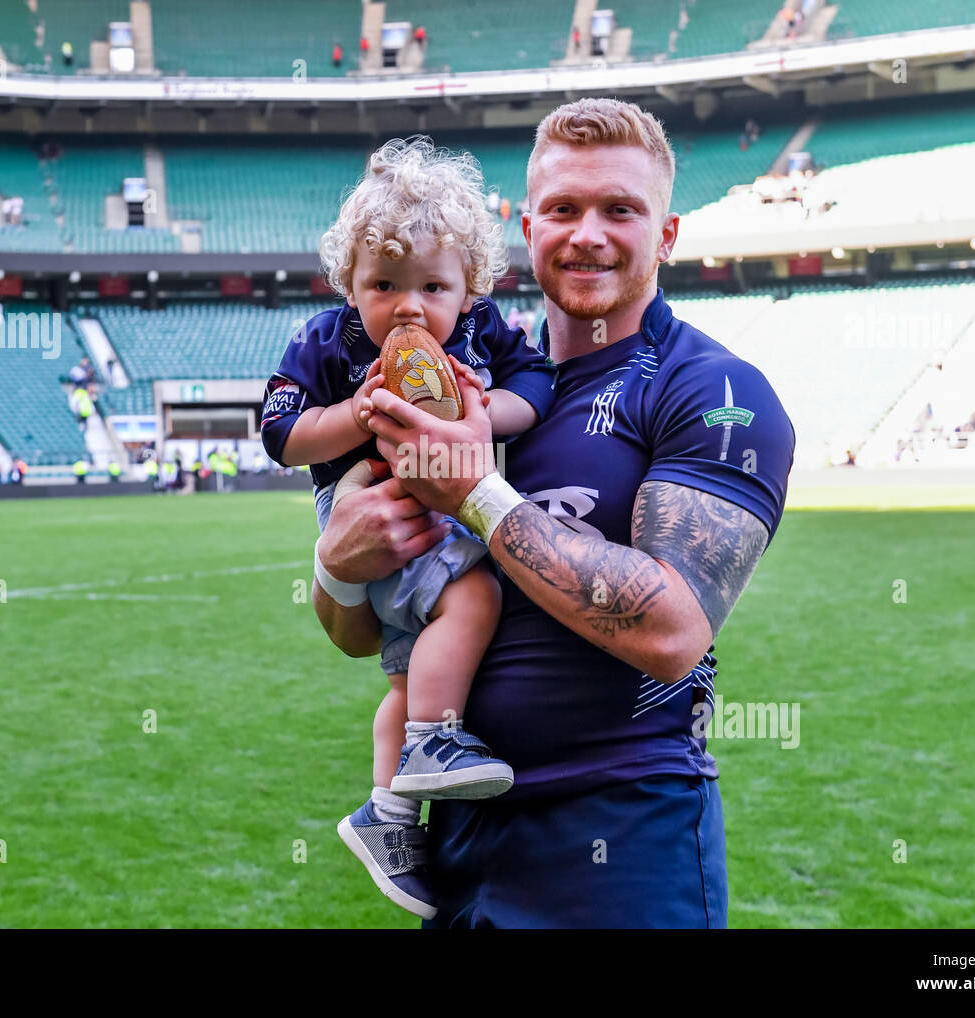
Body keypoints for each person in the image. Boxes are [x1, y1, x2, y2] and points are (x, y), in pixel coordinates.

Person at [313, 98, 795, 928]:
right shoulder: (465, 386)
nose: (589, 234)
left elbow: (673, 631)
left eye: (621, 210)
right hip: (458, 833)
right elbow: (362, 633)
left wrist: (474, 492)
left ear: (668, 235)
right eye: (565, 210)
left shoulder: (712, 390)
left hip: (619, 835)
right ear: (528, 230)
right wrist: (334, 564)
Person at [260, 137, 557, 920]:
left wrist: (482, 411)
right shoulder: (328, 342)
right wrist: (348, 416)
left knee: (405, 668)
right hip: (375, 506)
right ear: (348, 284)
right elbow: (281, 435)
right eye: (382, 284)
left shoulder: (483, 331)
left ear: (470, 289)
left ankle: (388, 817)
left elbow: (536, 384)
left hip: (440, 498)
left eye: (434, 285)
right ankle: (434, 738)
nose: (409, 306)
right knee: (478, 599)